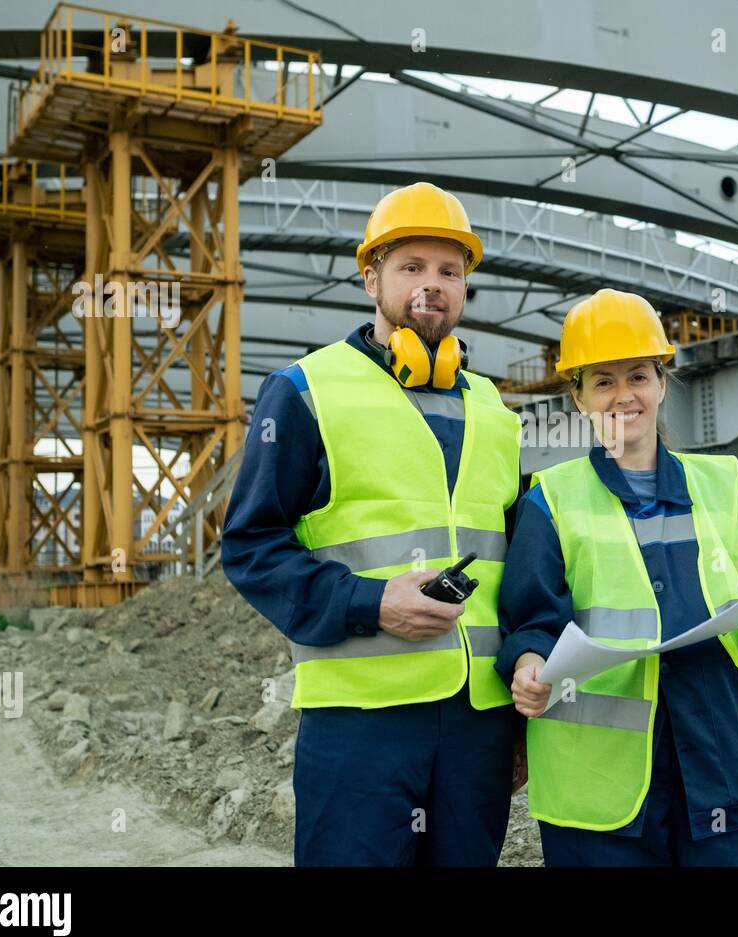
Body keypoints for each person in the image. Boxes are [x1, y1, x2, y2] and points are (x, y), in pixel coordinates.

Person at [221, 182, 522, 866]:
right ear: (371, 278)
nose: (432, 285)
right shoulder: (305, 391)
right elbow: (250, 547)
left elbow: (518, 561)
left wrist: (519, 715)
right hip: (360, 724)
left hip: (478, 722)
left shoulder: (494, 409)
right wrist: (372, 600)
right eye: (410, 266)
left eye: (450, 271)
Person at [495, 288, 738, 866]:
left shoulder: (721, 486)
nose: (623, 395)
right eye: (603, 381)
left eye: (637, 375)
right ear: (578, 395)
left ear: (663, 381)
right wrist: (528, 665)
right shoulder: (549, 502)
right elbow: (530, 621)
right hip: (601, 791)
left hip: (719, 761)